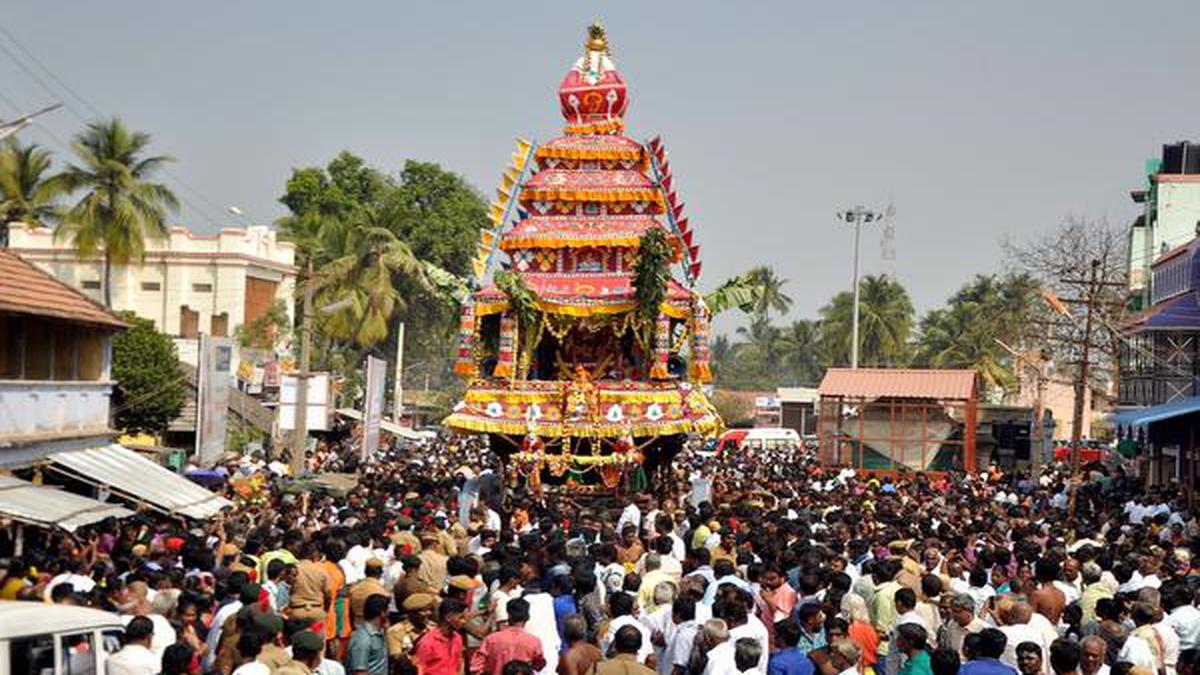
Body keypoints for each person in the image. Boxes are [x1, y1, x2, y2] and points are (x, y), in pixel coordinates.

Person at [471, 598, 547, 675]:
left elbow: (475, 666)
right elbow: (539, 665)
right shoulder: (534, 642)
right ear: (527, 617)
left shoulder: (491, 639)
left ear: (508, 615)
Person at [414, 598, 467, 675]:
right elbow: (420, 670)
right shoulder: (427, 643)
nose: (464, 621)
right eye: (461, 617)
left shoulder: (457, 638)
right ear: (448, 618)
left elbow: (460, 662)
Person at [347, 594, 390, 675]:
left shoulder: (379, 633)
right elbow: (360, 672)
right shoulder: (363, 640)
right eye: (387, 609)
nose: (389, 611)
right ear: (382, 613)